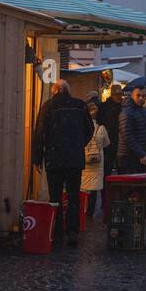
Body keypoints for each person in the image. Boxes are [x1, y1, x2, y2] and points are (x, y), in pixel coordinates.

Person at [33, 80, 94, 247]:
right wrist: (78, 143)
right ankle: (72, 232)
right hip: (75, 159)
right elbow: (90, 130)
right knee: (74, 196)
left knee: (56, 197)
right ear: (68, 90)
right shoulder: (80, 105)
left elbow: (39, 132)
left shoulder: (48, 106)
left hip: (54, 159)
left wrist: (37, 157)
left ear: (54, 91)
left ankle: (57, 232)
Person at [81, 96, 110, 219]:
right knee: (93, 190)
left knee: (83, 188)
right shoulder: (101, 128)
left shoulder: (81, 127)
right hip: (97, 164)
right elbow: (107, 143)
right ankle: (90, 213)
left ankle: (82, 210)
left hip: (84, 161)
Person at [117, 84, 146, 172]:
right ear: (132, 96)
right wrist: (141, 154)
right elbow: (127, 135)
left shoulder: (143, 111)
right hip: (127, 156)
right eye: (138, 95)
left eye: (143, 96)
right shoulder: (127, 112)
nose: (141, 98)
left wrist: (142, 154)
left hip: (138, 155)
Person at [98, 85, 124, 176]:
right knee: (107, 169)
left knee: (121, 170)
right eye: (116, 94)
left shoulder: (123, 107)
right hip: (108, 142)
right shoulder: (104, 106)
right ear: (112, 94)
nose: (118, 96)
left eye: (120, 94)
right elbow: (100, 123)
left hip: (120, 142)